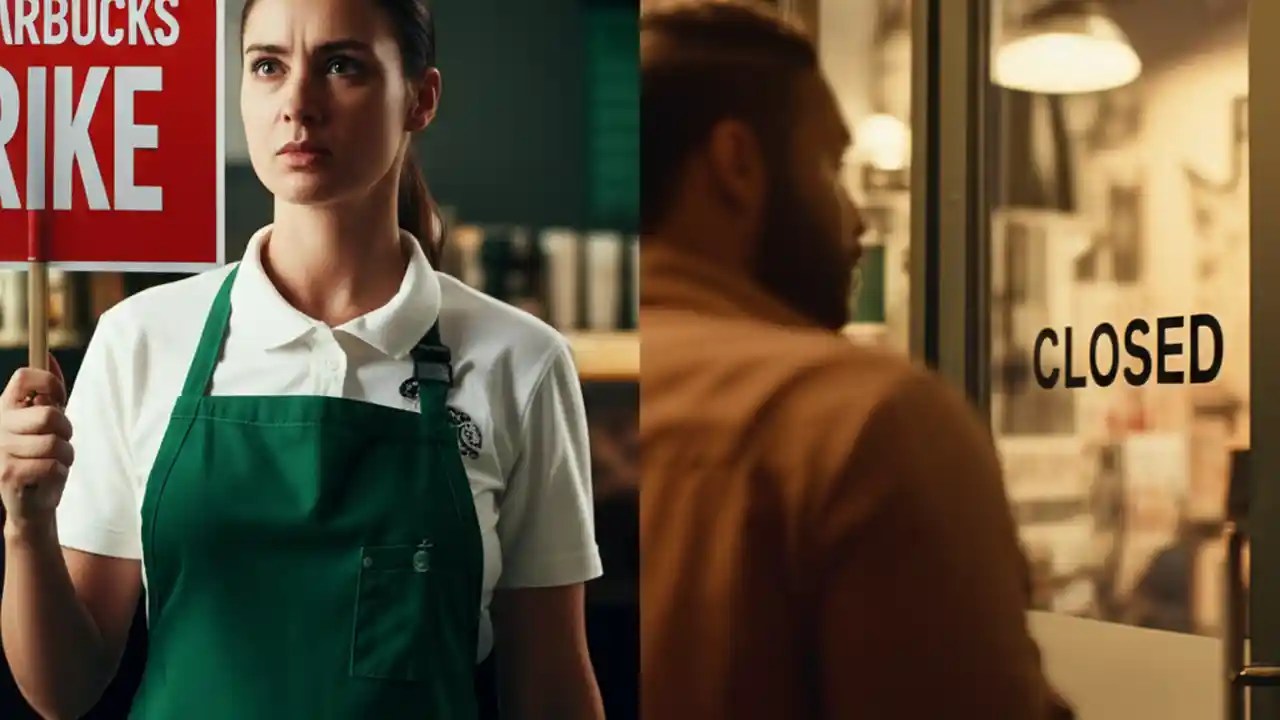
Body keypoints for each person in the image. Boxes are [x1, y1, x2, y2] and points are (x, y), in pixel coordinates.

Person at [0, 0, 606, 718]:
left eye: (341, 65)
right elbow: (61, 692)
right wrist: (25, 525)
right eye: (267, 66)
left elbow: (552, 685)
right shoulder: (141, 339)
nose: (297, 104)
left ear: (421, 98)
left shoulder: (521, 362)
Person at [639, 2, 1072, 718]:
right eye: (830, 165)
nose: (858, 217)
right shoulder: (862, 421)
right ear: (736, 165)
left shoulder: (536, 387)